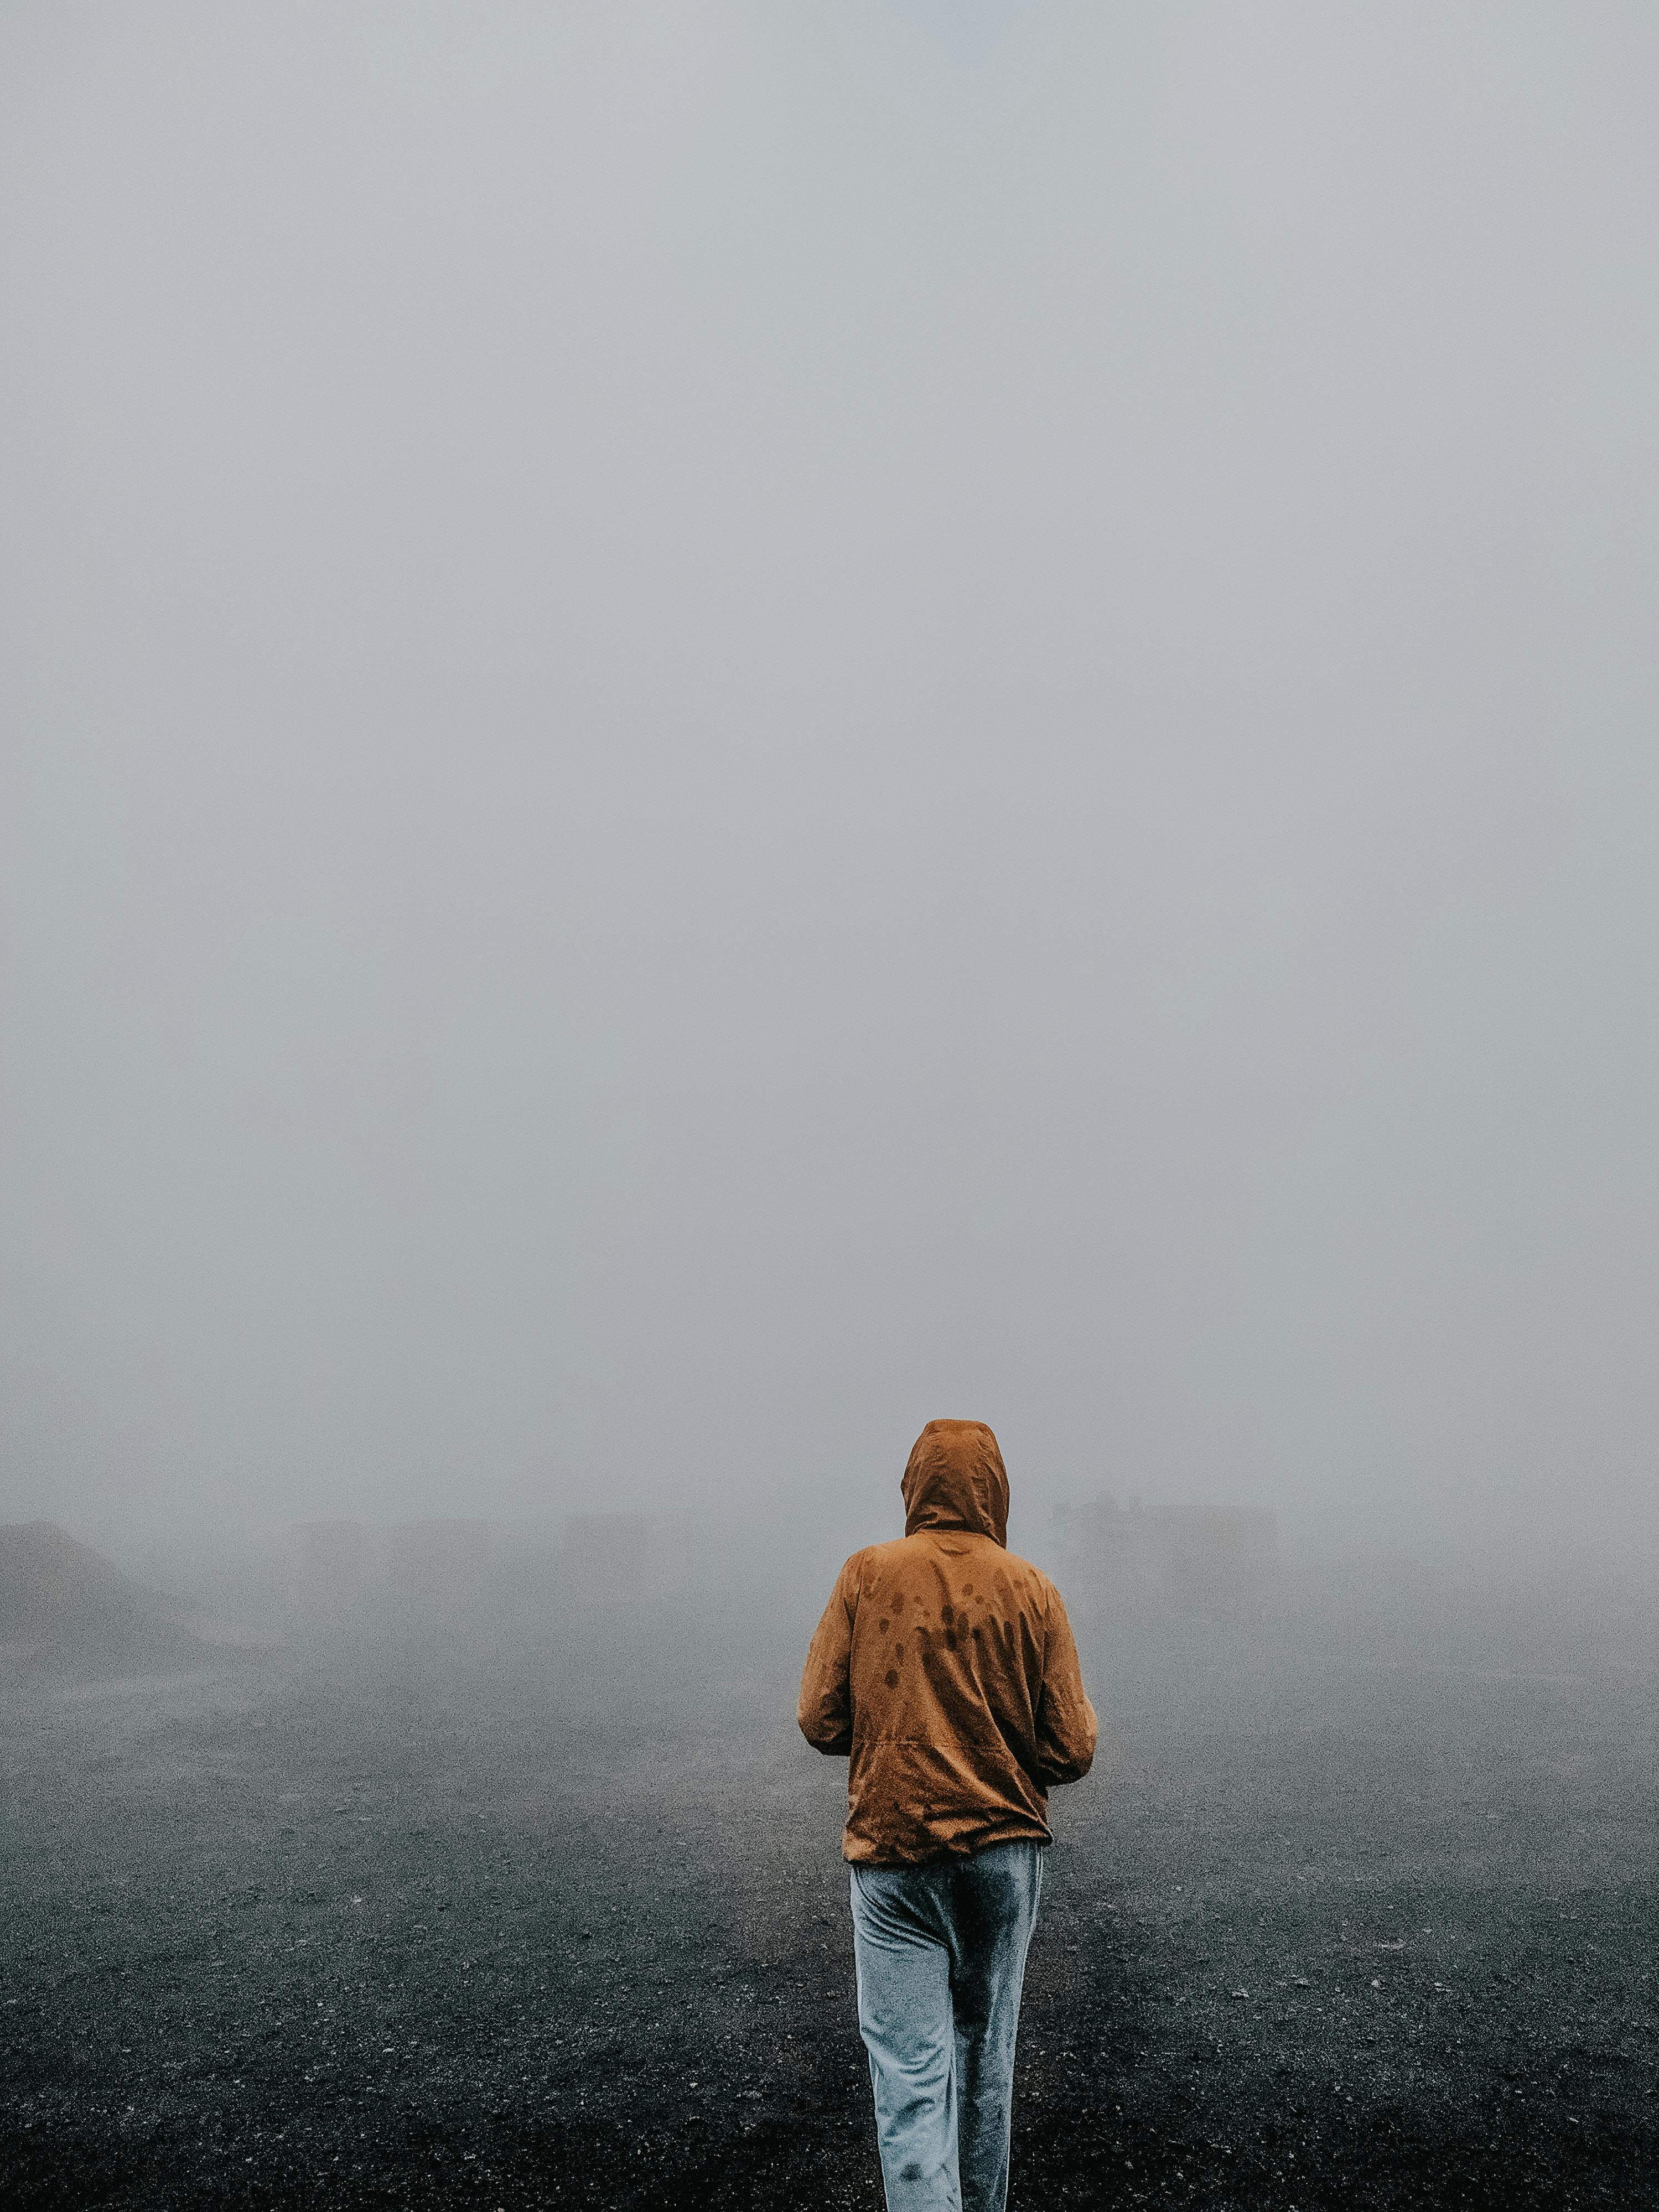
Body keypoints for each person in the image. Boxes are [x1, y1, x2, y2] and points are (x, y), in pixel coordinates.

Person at [798, 1418, 1097, 2212]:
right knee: (984, 2064)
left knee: (908, 2079)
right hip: (1001, 1858)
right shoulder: (1031, 1586)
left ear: (914, 1486)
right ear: (995, 1489)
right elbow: (1070, 1749)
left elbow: (820, 1720)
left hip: (892, 1851)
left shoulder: (865, 1574)